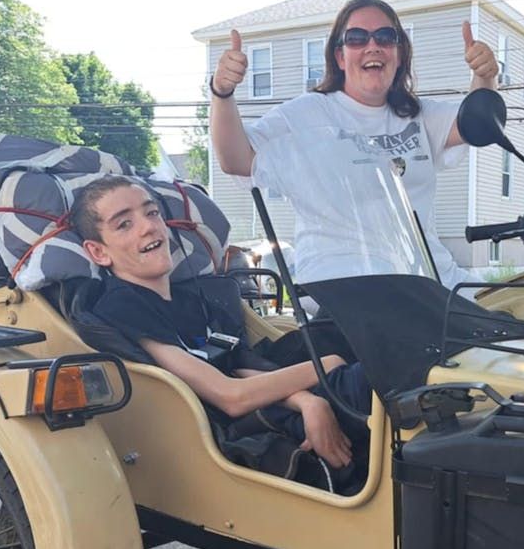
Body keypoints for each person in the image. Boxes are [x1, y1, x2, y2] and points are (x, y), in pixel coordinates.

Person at [71, 174, 371, 480]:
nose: (148, 226)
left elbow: (236, 366)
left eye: (152, 212)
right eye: (124, 224)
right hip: (242, 435)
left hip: (273, 401)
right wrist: (328, 365)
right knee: (376, 376)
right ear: (99, 252)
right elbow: (230, 396)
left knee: (359, 307)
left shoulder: (195, 297)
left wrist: (307, 400)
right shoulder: (121, 306)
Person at [209, 0, 499, 290]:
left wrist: (484, 76)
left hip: (431, 284)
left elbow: (478, 122)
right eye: (357, 38)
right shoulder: (307, 114)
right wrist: (222, 91)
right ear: (340, 57)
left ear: (399, 54)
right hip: (344, 291)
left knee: (514, 310)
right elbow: (235, 159)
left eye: (385, 37)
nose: (372, 46)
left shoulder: (419, 115)